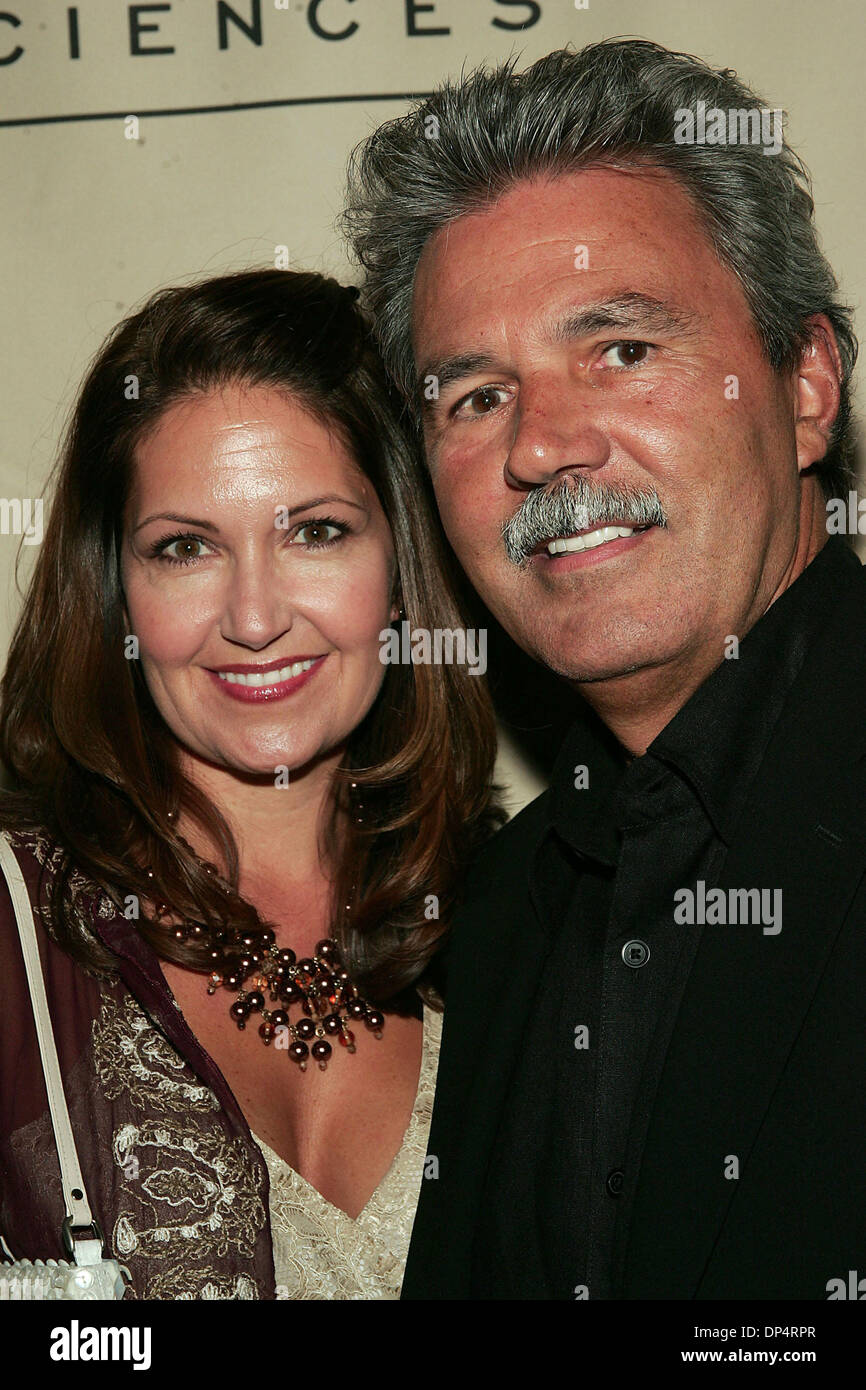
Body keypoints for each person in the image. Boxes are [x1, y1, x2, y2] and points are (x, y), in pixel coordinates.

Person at [342, 38, 865, 1299]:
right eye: (473, 394)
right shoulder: (498, 912)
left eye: (620, 348)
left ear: (804, 385)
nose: (543, 446)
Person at [0, 268, 502, 1299]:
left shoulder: (527, 918)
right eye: (184, 548)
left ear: (400, 563)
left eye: (314, 530)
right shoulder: (15, 928)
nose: (255, 614)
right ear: (116, 595)